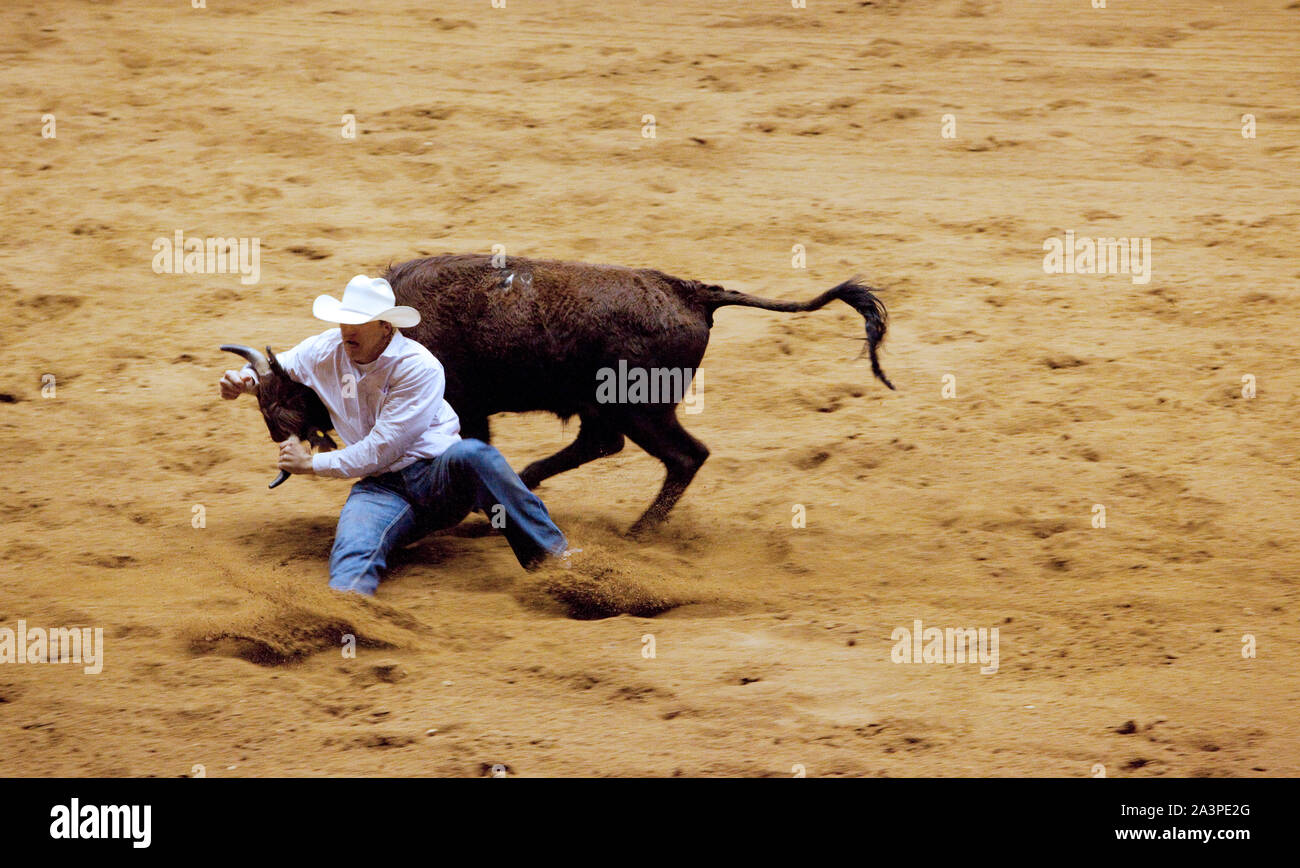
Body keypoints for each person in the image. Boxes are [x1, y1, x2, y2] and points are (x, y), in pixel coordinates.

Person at [219, 274, 572, 596]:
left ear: (385, 326)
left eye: (358, 322)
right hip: (382, 489)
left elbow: (380, 450)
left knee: (476, 456)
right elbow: (279, 367)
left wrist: (311, 463)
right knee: (353, 546)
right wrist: (245, 381)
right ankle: (347, 610)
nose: (346, 330)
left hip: (440, 477)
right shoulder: (327, 349)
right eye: (344, 320)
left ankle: (561, 565)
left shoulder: (418, 367)